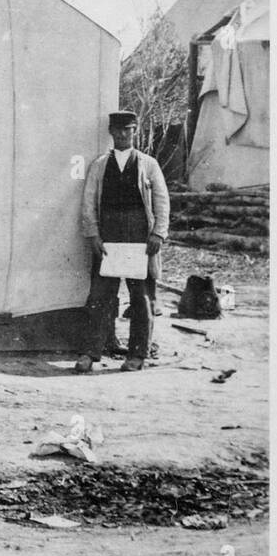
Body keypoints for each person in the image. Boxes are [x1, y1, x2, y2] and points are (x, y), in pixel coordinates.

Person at [76, 110, 170, 373]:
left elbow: (162, 201)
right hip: (109, 239)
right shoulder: (99, 166)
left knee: (141, 299)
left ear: (135, 131)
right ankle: (90, 353)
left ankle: (137, 354)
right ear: (111, 132)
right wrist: (93, 234)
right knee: (98, 297)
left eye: (127, 130)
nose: (122, 135)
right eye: (117, 130)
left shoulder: (148, 164)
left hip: (140, 239)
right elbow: (88, 203)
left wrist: (158, 234)